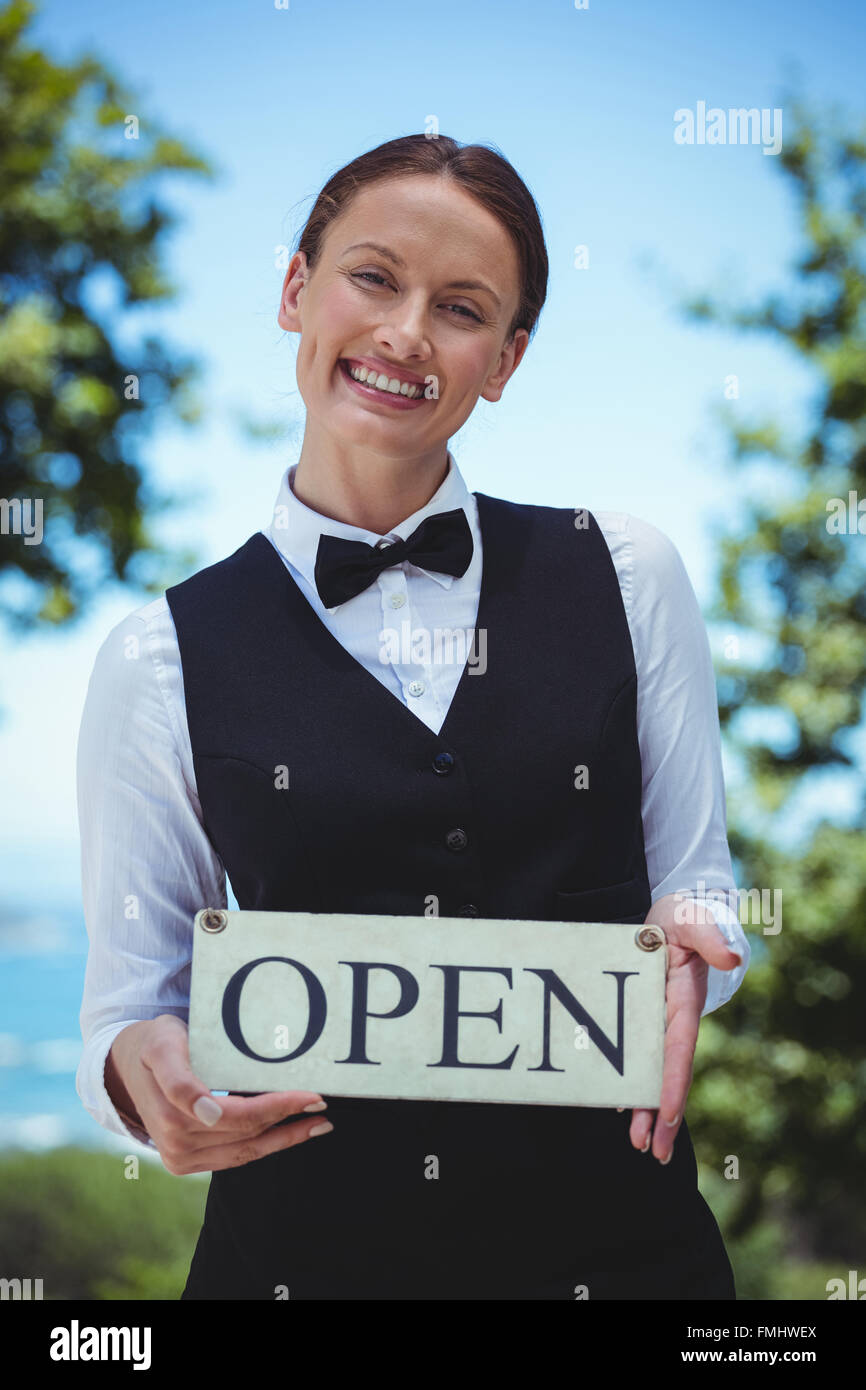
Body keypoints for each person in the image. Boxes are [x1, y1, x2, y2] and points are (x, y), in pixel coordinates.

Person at [76, 133, 751, 1301]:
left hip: (620, 1265)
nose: (403, 334)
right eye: (373, 277)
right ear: (297, 290)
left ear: (504, 359)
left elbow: (692, 883)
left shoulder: (632, 575)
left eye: (460, 307)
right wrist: (147, 1084)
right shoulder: (154, 657)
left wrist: (695, 948)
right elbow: (134, 1005)